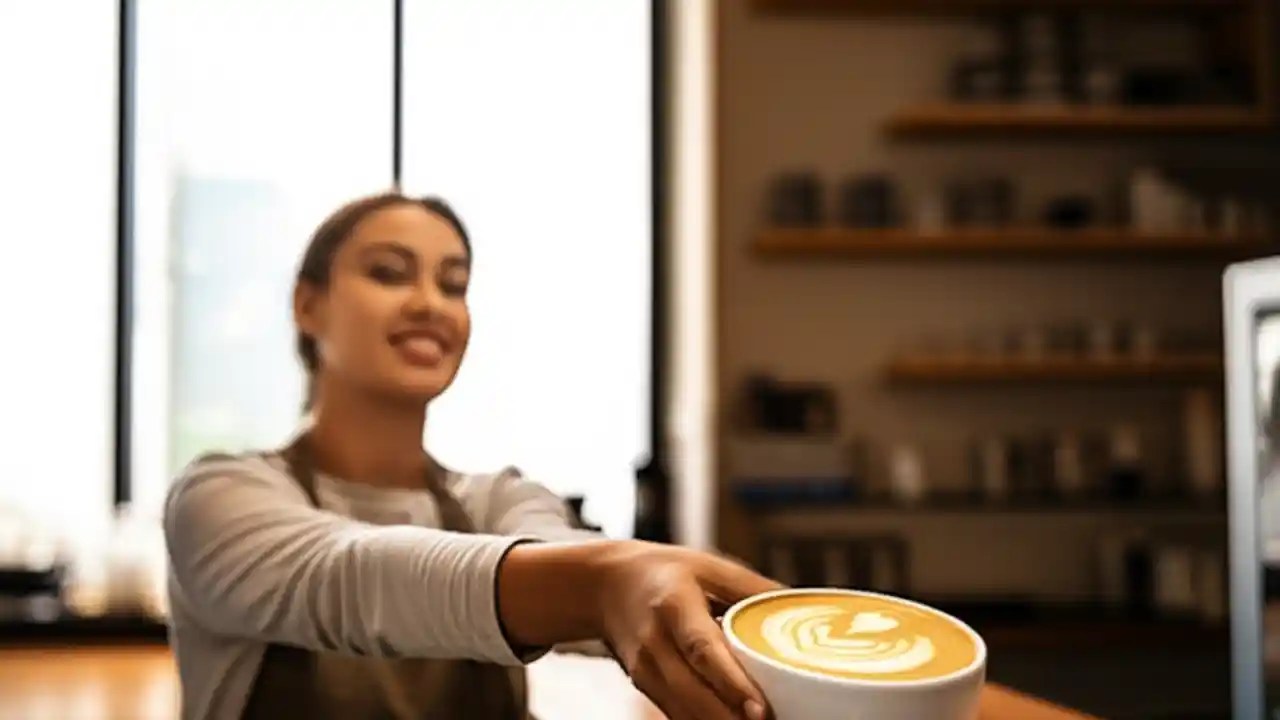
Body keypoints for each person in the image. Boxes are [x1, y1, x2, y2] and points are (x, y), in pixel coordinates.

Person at [164, 191, 781, 720]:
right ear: (307, 305)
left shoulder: (497, 500)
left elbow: (560, 558)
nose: (429, 303)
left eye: (453, 283)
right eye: (388, 272)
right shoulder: (221, 498)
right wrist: (602, 582)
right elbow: (351, 576)